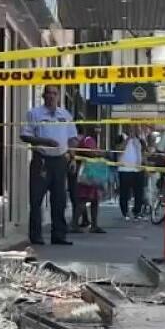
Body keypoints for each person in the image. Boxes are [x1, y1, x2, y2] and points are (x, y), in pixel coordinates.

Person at [21, 85, 78, 245]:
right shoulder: (35, 114)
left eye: (55, 94)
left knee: (59, 200)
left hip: (60, 161)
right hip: (42, 160)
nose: (52, 97)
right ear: (43, 96)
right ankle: (36, 236)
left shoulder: (65, 115)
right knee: (36, 199)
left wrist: (72, 157)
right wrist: (46, 141)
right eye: (49, 93)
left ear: (58, 96)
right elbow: (25, 136)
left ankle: (59, 235)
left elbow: (72, 138)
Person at [72, 124, 107, 234]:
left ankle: (94, 225)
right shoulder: (87, 139)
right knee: (83, 199)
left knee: (95, 200)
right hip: (87, 174)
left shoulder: (91, 140)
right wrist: (99, 153)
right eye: (97, 128)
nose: (98, 130)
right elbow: (87, 152)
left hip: (93, 172)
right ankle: (74, 224)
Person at [117, 126, 145, 221]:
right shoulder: (121, 137)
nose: (133, 130)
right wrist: (128, 138)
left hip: (137, 170)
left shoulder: (139, 140)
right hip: (124, 169)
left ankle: (137, 211)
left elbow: (143, 153)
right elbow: (119, 149)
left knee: (139, 193)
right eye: (131, 128)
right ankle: (125, 212)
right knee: (124, 193)